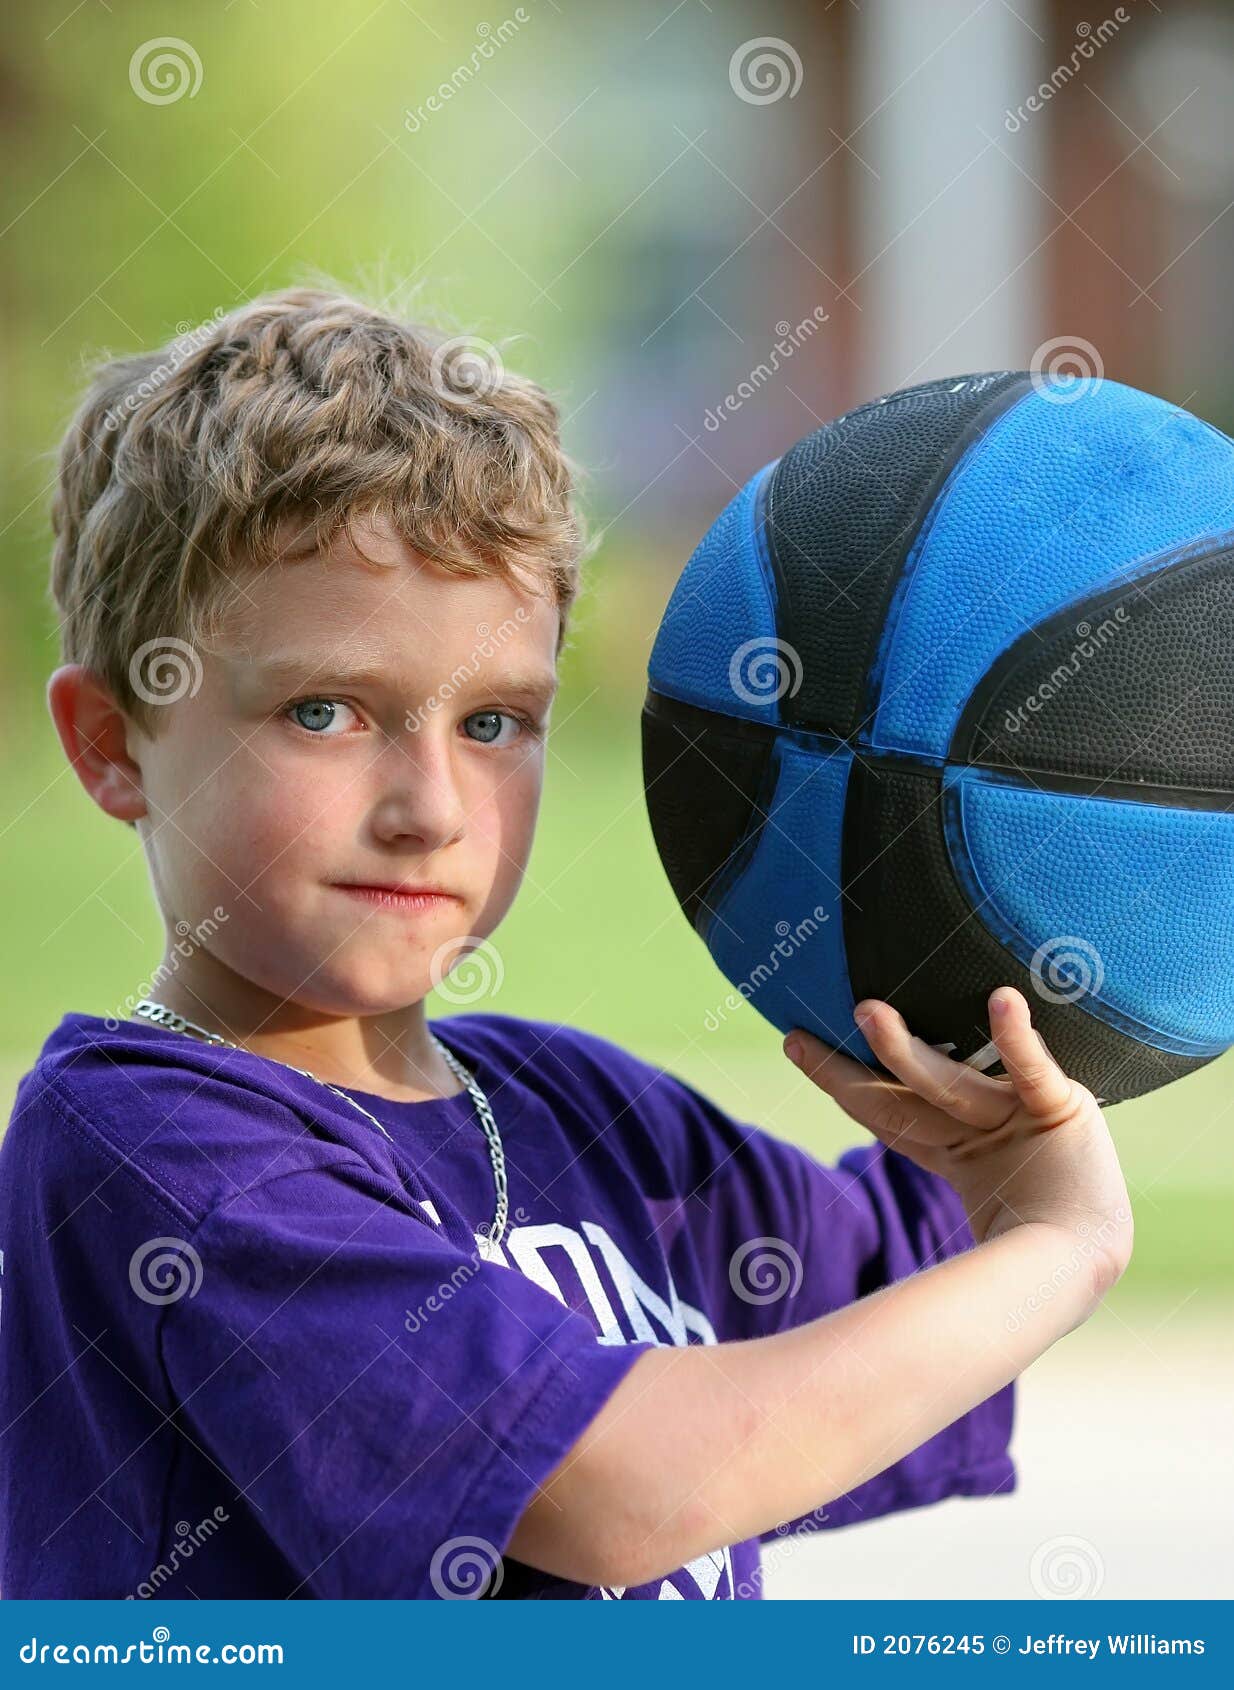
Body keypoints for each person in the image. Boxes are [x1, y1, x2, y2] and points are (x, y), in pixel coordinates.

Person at [0, 286, 1131, 1600]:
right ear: (108, 742)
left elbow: (919, 1314)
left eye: (493, 722)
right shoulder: (150, 1144)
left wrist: (1012, 1165)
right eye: (324, 710)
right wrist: (1058, 1243)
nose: (428, 808)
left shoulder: (589, 1119)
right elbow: (616, 1491)